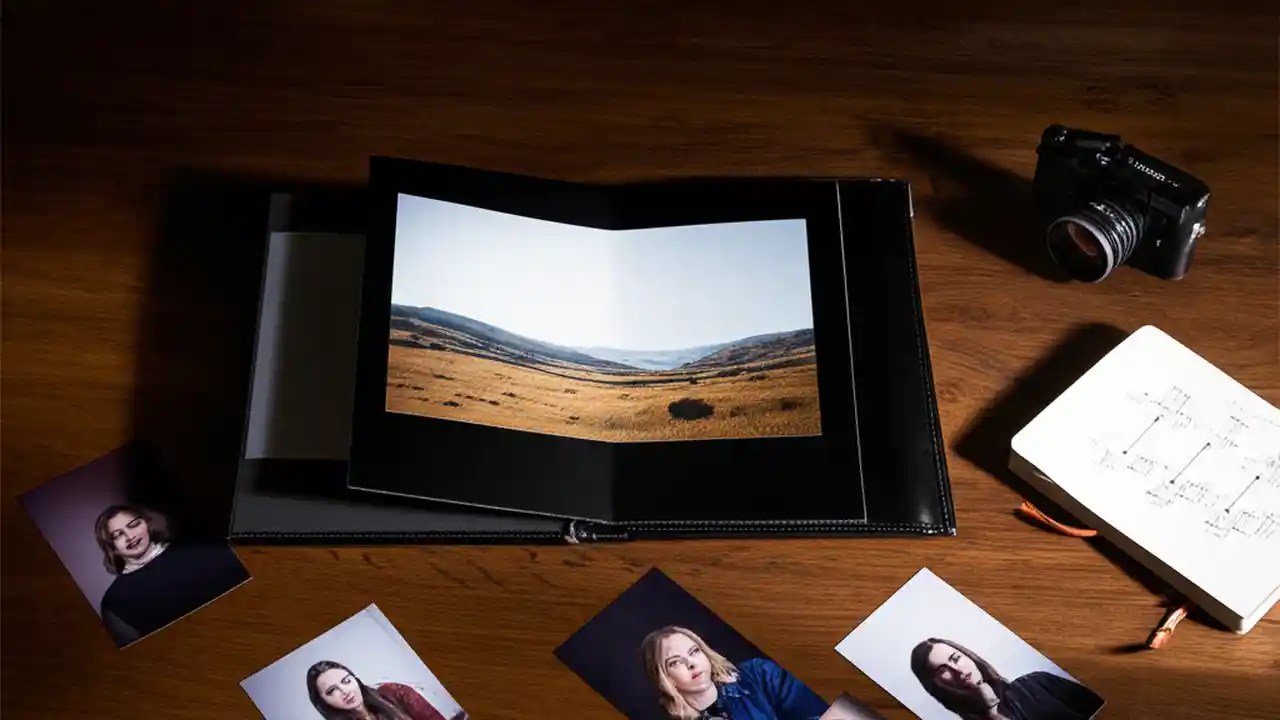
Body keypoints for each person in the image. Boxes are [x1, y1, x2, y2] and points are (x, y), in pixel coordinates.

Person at [94, 503, 249, 646]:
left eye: (134, 525)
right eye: (118, 535)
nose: (130, 537)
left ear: (147, 523)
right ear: (111, 547)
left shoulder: (199, 549)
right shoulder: (115, 601)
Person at [640, 625, 829, 720]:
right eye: (675, 662)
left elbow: (820, 713)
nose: (691, 664)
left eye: (694, 651)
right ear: (664, 678)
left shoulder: (758, 674)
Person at [909, 638, 1103, 720]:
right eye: (943, 670)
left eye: (956, 658)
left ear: (969, 657)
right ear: (936, 686)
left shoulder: (1036, 683)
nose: (957, 669)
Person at [306, 661, 465, 720]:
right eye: (332, 691)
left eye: (346, 681)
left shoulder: (393, 692)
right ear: (323, 701)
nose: (345, 691)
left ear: (356, 679)